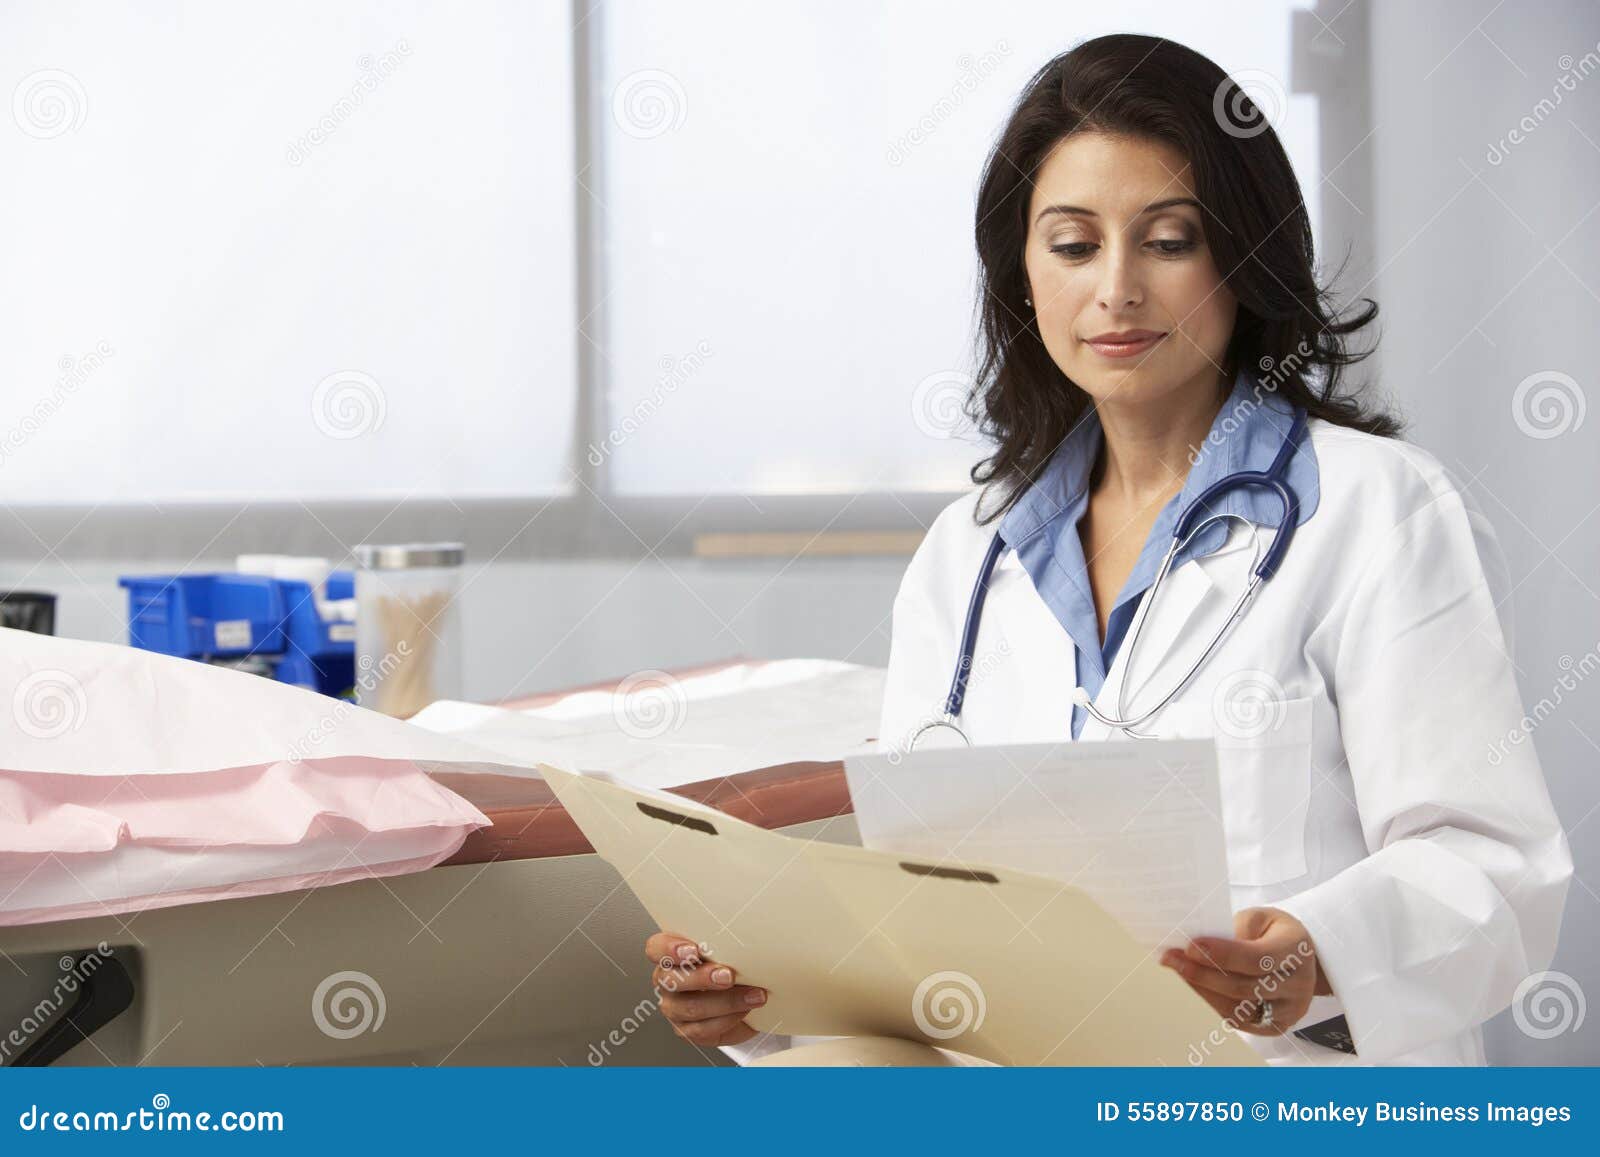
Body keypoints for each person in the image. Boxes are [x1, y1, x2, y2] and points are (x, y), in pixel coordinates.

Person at [643, 33, 1571, 1065]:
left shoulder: (1378, 510)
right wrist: (763, 996)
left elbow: (1490, 868)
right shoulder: (971, 551)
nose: (1116, 289)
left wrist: (1317, 953)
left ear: (1242, 256)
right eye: (1074, 245)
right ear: (1023, 273)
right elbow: (915, 913)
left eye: (1168, 240)